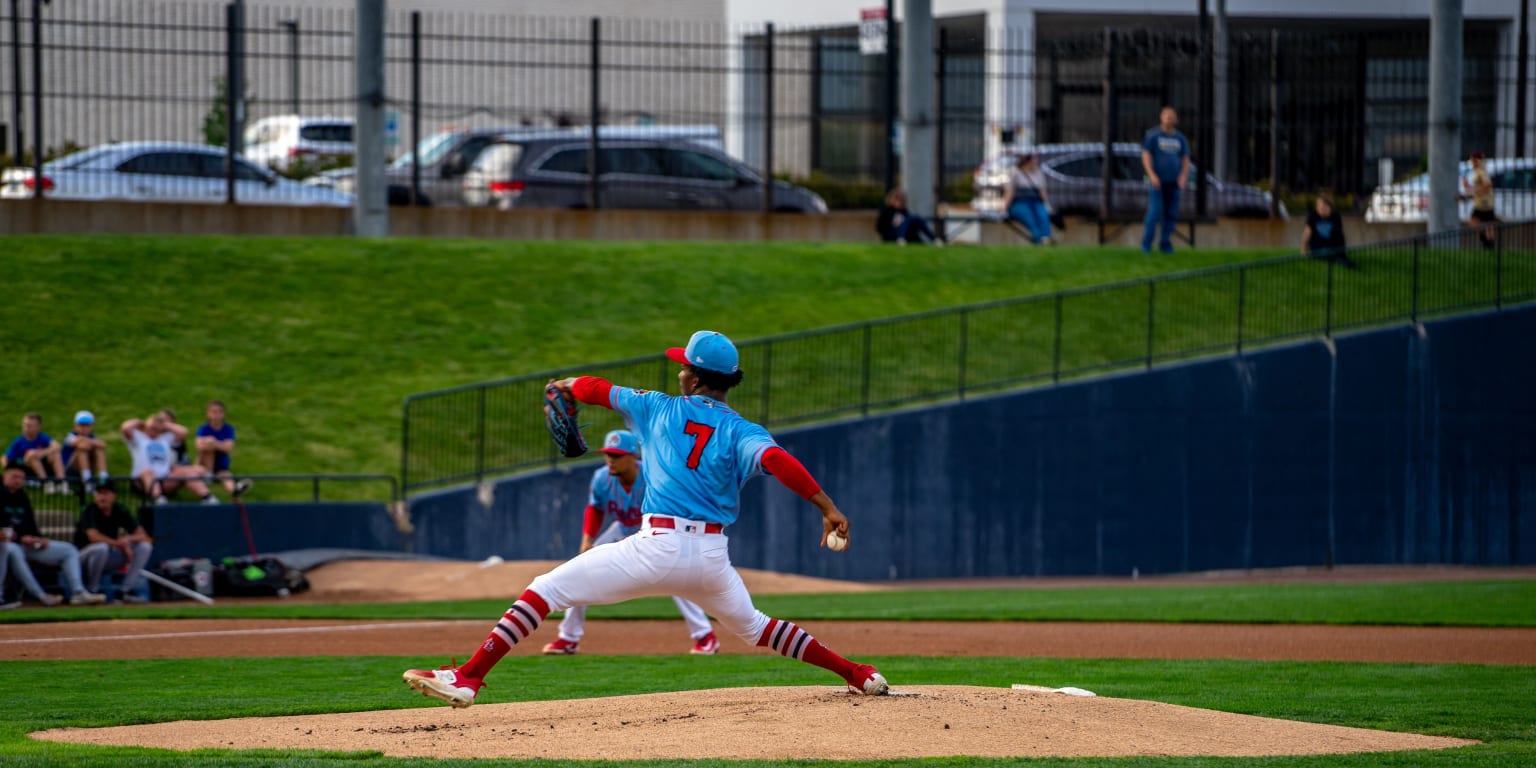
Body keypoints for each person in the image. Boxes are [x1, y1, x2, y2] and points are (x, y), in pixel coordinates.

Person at [403, 330, 889, 708]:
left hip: (656, 546)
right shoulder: (744, 429)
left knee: (544, 590)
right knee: (758, 628)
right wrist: (826, 506)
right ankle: (858, 673)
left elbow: (596, 389)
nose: (678, 372)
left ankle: (468, 677)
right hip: (712, 558)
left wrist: (564, 385)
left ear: (696, 378)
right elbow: (779, 462)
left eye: (683, 367)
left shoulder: (656, 407)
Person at [541, 429, 719, 656]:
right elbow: (595, 508)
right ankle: (568, 638)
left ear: (633, 456)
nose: (610, 460)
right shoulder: (601, 478)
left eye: (617, 455)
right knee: (581, 568)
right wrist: (587, 540)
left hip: (661, 530)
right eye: (608, 455)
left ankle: (706, 637)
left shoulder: (655, 476)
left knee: (675, 575)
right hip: (624, 529)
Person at [0, 465, 106, 605]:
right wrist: (20, 538)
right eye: (14, 476)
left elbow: (31, 525)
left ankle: (78, 592)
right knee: (10, 549)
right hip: (9, 543)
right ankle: (41, 595)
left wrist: (40, 538)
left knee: (68, 549)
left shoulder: (22, 496)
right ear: (4, 476)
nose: (18, 480)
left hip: (28, 544)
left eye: (21, 478)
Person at [75, 480, 153, 603]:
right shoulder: (89, 510)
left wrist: (126, 540)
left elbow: (143, 535)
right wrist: (119, 544)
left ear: (114, 495)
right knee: (101, 548)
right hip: (82, 560)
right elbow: (93, 537)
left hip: (105, 558)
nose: (102, 497)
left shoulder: (119, 509)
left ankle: (124, 592)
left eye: (105, 493)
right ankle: (92, 590)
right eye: (99, 493)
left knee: (144, 547)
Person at [121, 414, 218, 505]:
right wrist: (140, 422)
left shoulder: (164, 439)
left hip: (165, 480)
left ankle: (207, 498)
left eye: (156, 429)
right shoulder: (139, 438)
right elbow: (125, 427)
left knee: (187, 472)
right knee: (148, 472)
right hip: (142, 480)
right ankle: (159, 500)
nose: (154, 430)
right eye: (152, 427)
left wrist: (165, 424)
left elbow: (183, 432)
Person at [1140, 105, 1191, 254]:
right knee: (1154, 212)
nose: (1169, 118)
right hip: (1157, 183)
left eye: (1172, 115)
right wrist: (1152, 175)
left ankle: (1165, 243)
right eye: (1166, 115)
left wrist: (1183, 176)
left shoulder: (1180, 138)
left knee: (1171, 214)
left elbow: (1185, 159)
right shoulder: (1153, 136)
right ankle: (1146, 245)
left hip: (1174, 183)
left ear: (1176, 119)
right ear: (1161, 117)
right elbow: (1146, 156)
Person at [195, 400, 252, 497]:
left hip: (221, 465)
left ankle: (234, 490)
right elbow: (199, 446)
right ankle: (208, 476)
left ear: (224, 414)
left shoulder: (228, 429)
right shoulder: (203, 429)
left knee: (226, 476)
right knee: (208, 448)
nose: (216, 415)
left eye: (219, 412)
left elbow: (229, 447)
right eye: (213, 412)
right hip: (204, 464)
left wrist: (214, 443)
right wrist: (215, 444)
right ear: (208, 414)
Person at [4, 413, 67, 494]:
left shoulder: (42, 437)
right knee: (31, 454)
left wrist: (42, 453)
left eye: (30, 426)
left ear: (38, 427)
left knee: (55, 454)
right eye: (25, 425)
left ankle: (62, 482)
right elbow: (6, 458)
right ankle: (46, 483)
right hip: (28, 470)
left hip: (44, 466)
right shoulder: (19, 442)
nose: (26, 428)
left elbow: (57, 446)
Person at [1004, 152, 1053, 244]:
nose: (1035, 163)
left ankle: (1046, 238)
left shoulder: (1038, 172)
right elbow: (1010, 191)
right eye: (1033, 160)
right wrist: (1004, 208)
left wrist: (1047, 204)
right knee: (1030, 219)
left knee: (1043, 216)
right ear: (1027, 161)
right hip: (1019, 202)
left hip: (1036, 201)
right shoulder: (1015, 172)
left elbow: (1043, 192)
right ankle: (1039, 239)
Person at [1301, 197, 1357, 269]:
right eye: (1318, 206)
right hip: (1319, 249)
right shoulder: (1313, 217)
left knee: (1338, 255)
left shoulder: (1336, 217)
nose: (1321, 208)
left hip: (1333, 247)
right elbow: (1306, 235)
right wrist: (1304, 251)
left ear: (1329, 207)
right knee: (1332, 256)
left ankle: (1346, 262)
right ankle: (1345, 263)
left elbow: (1339, 235)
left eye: (1323, 206)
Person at [62, 410, 110, 493]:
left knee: (99, 450)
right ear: (75, 426)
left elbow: (103, 445)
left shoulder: (92, 437)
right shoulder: (71, 436)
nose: (84, 428)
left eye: (87, 425)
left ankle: (103, 478)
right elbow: (80, 445)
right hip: (70, 470)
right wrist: (92, 442)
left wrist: (89, 441)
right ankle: (87, 481)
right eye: (81, 425)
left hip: (89, 466)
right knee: (82, 450)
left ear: (92, 426)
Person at [874, 188, 939, 245]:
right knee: (910, 218)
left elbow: (910, 226)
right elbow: (879, 227)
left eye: (901, 200)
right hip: (892, 235)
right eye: (897, 199)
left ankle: (934, 239)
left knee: (916, 218)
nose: (899, 202)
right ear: (891, 199)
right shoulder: (887, 211)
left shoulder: (904, 211)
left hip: (906, 235)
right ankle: (901, 238)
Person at [1462, 151, 1498, 249]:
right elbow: (1477, 188)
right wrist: (1468, 187)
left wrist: (1476, 192)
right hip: (1481, 203)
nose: (1471, 163)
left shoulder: (1481, 172)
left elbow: (1487, 185)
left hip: (1484, 203)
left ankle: (1488, 244)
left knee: (1484, 225)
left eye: (1473, 160)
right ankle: (1487, 244)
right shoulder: (1478, 171)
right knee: (1482, 224)